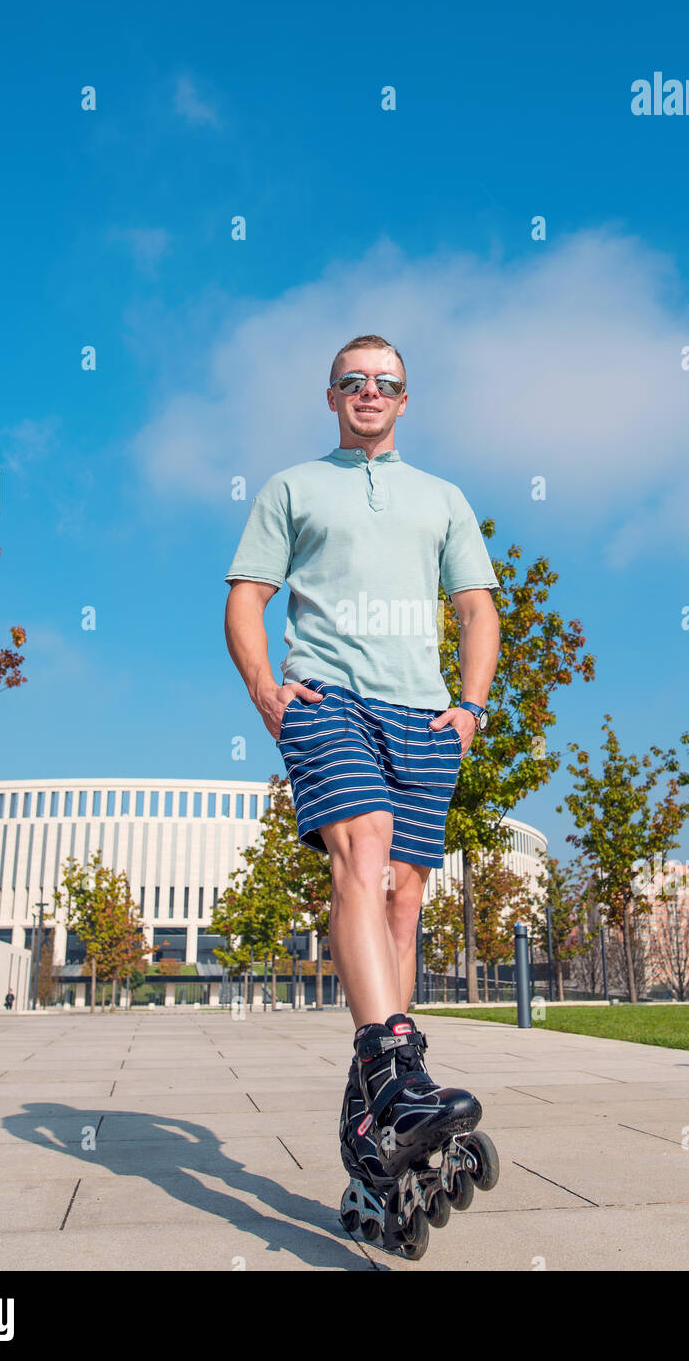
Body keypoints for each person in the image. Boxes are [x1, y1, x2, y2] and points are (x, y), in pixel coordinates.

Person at [224, 333, 500, 1221]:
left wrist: (469, 708)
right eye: (353, 381)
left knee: (403, 898)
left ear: (405, 399)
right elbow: (245, 593)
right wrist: (269, 690)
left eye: (385, 382)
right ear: (332, 395)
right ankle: (396, 1070)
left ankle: (377, 1120)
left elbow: (474, 608)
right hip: (328, 699)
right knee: (364, 846)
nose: (368, 392)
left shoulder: (443, 497)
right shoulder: (293, 487)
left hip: (423, 716)